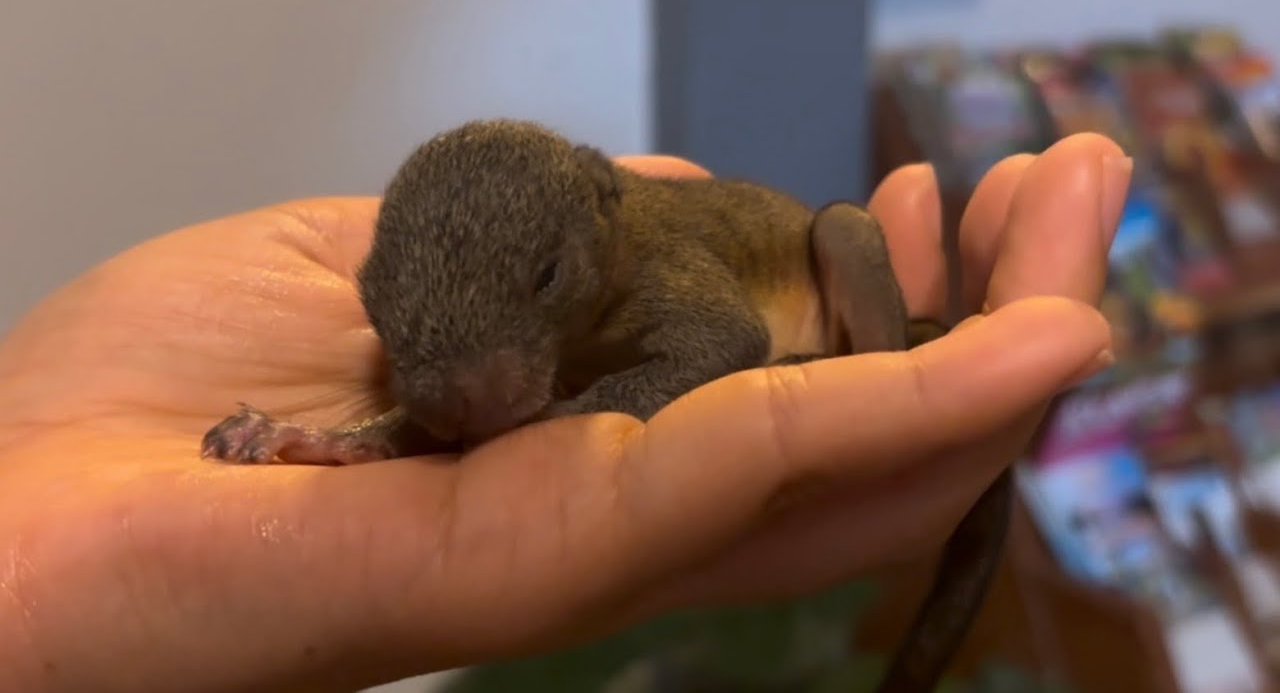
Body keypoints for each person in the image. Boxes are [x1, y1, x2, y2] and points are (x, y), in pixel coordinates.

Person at [0, 132, 1128, 692]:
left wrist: (570, 413)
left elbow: (726, 342)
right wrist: (327, 443)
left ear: (598, 215)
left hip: (810, 315)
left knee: (848, 227)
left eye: (535, 293)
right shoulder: (456, 338)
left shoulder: (651, 255)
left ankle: (887, 384)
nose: (466, 400)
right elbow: (443, 415)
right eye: (400, 339)